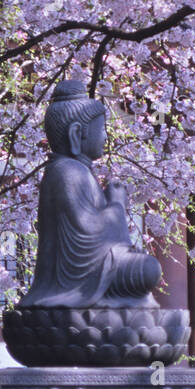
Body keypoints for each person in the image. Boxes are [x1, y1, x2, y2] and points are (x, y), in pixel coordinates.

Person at [19, 80, 161, 308]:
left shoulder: (76, 171)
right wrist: (116, 205)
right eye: (102, 129)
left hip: (93, 275)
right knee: (147, 269)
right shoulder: (68, 172)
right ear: (77, 134)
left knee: (147, 267)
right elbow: (86, 234)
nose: (106, 137)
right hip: (77, 283)